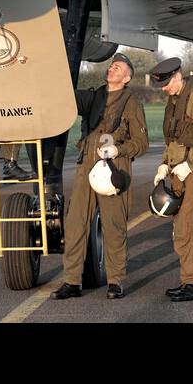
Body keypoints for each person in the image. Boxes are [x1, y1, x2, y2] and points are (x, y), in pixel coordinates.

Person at [49, 52, 148, 301]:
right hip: (86, 168)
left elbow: (142, 142)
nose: (111, 69)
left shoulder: (131, 102)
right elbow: (68, 98)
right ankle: (72, 281)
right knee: (74, 224)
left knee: (113, 226)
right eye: (111, 66)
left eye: (117, 68)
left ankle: (115, 281)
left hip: (114, 169)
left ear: (127, 77)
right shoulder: (94, 97)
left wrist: (120, 149)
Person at [151, 57, 193, 302]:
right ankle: (190, 279)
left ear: (178, 76)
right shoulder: (175, 100)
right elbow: (174, 138)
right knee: (180, 226)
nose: (164, 88)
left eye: (167, 83)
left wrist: (188, 166)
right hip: (179, 167)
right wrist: (164, 163)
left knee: (188, 226)